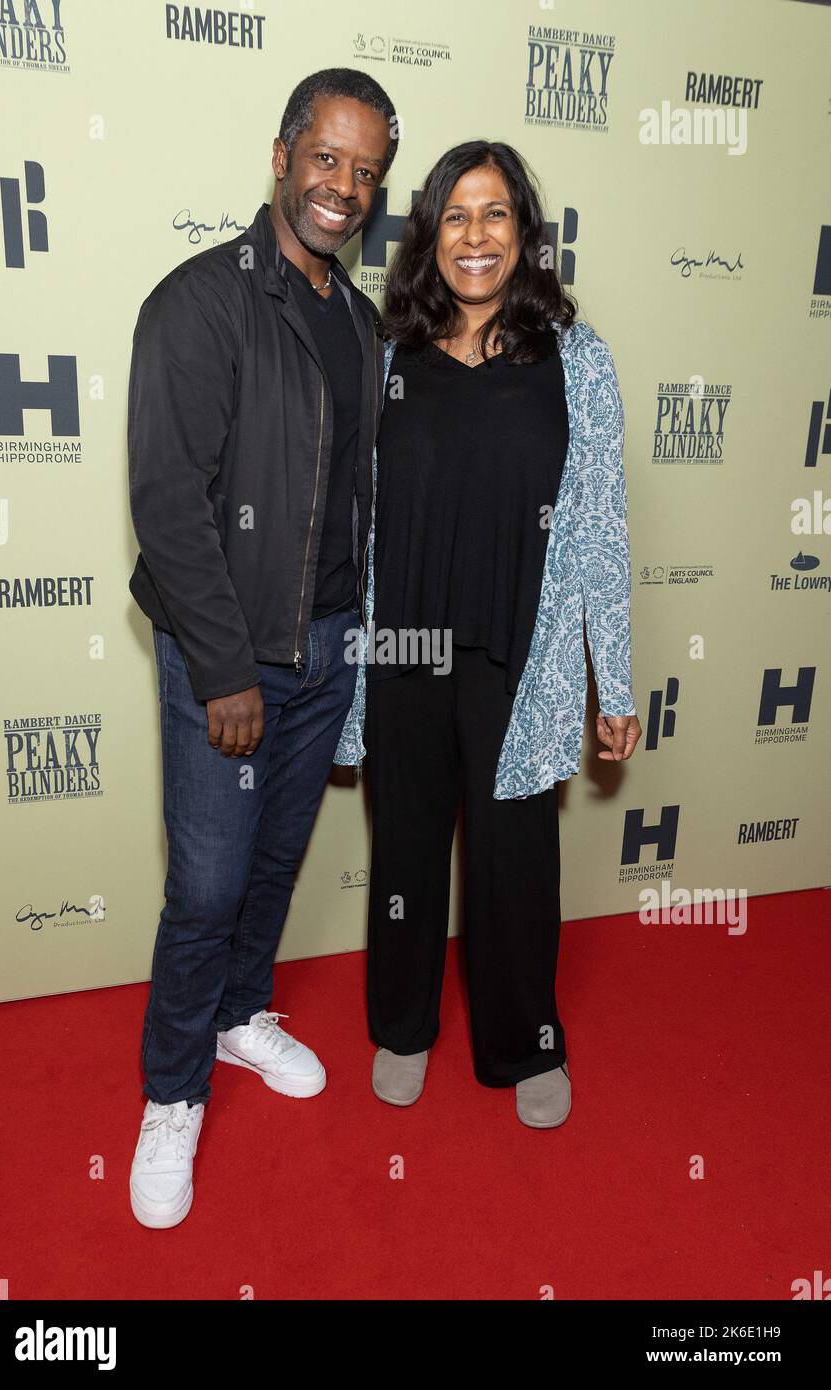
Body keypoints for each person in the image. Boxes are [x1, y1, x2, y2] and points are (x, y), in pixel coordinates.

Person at [125, 68, 398, 1228]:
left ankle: (241, 1017)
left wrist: (355, 654)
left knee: (273, 865)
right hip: (227, 663)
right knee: (206, 887)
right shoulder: (200, 301)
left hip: (327, 649)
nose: (344, 186)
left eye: (366, 171)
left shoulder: (359, 319)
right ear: (282, 156)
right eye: (327, 158)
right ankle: (171, 1094)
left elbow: (357, 502)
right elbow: (168, 501)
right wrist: (227, 669)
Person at [334, 141, 642, 1128]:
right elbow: (355, 517)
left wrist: (614, 683)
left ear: (524, 232)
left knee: (514, 862)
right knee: (408, 851)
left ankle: (522, 1042)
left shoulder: (575, 358)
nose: (475, 235)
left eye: (495, 213)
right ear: (430, 234)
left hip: (522, 652)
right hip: (404, 653)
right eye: (455, 216)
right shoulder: (389, 356)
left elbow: (597, 525)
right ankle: (402, 1026)